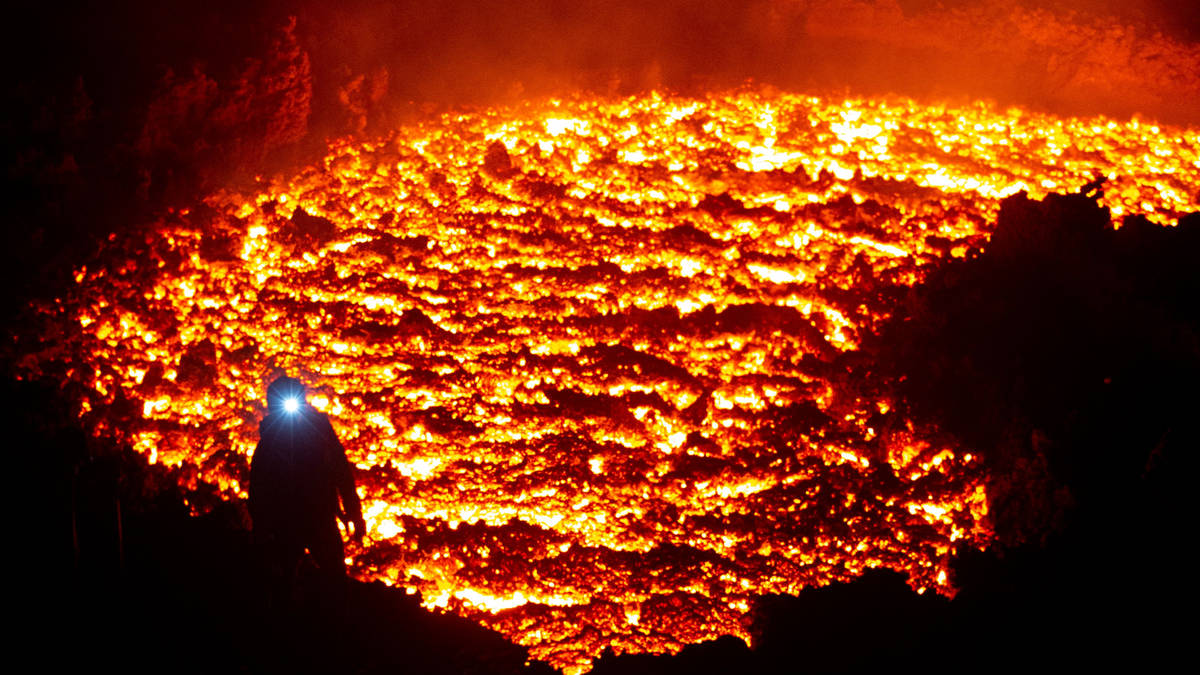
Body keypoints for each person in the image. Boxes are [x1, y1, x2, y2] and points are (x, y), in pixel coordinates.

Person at [249, 375, 365, 592]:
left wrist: (354, 513)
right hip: (292, 520)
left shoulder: (318, 433)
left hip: (316, 517)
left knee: (332, 578)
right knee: (289, 580)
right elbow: (259, 486)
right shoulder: (272, 441)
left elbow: (341, 471)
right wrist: (262, 529)